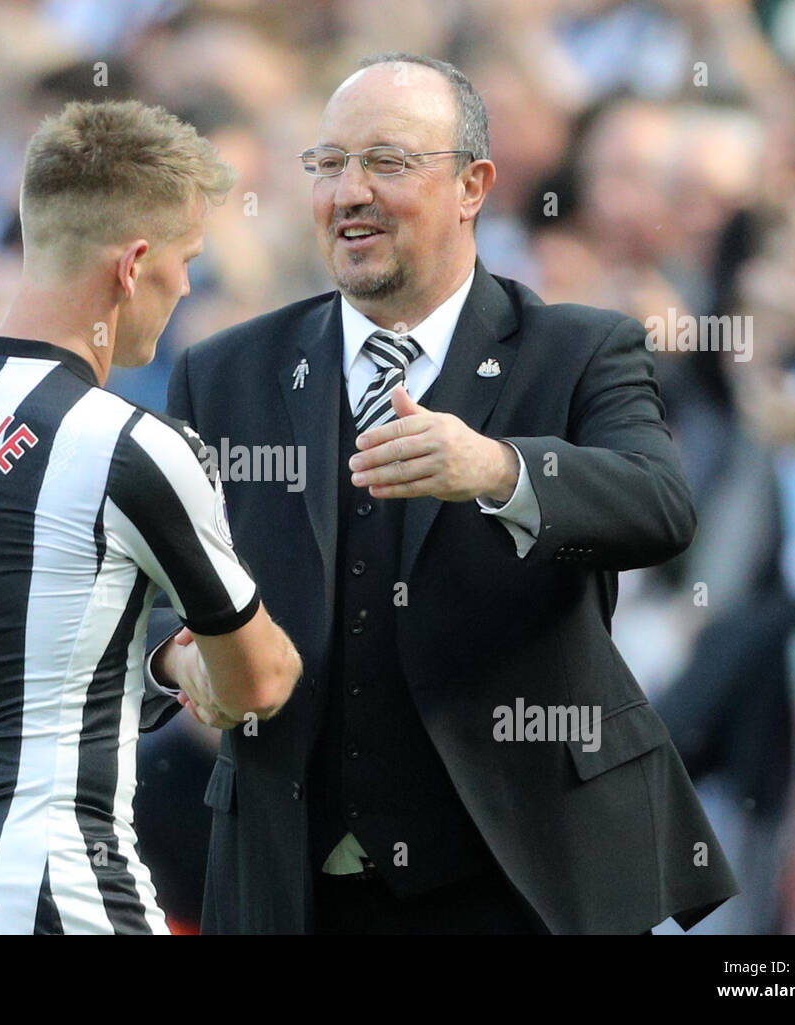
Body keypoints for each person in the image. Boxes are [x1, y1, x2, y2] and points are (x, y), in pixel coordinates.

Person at [148, 53, 738, 934]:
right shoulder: (224, 372)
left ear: (474, 185)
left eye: (386, 163)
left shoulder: (580, 349)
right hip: (294, 880)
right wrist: (182, 662)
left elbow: (658, 504)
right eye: (328, 164)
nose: (349, 192)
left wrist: (500, 470)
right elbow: (151, 588)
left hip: (521, 874)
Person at [0, 99, 300, 935]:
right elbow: (262, 682)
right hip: (63, 900)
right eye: (186, 260)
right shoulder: (129, 444)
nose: (186, 285)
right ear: (133, 263)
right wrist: (190, 667)